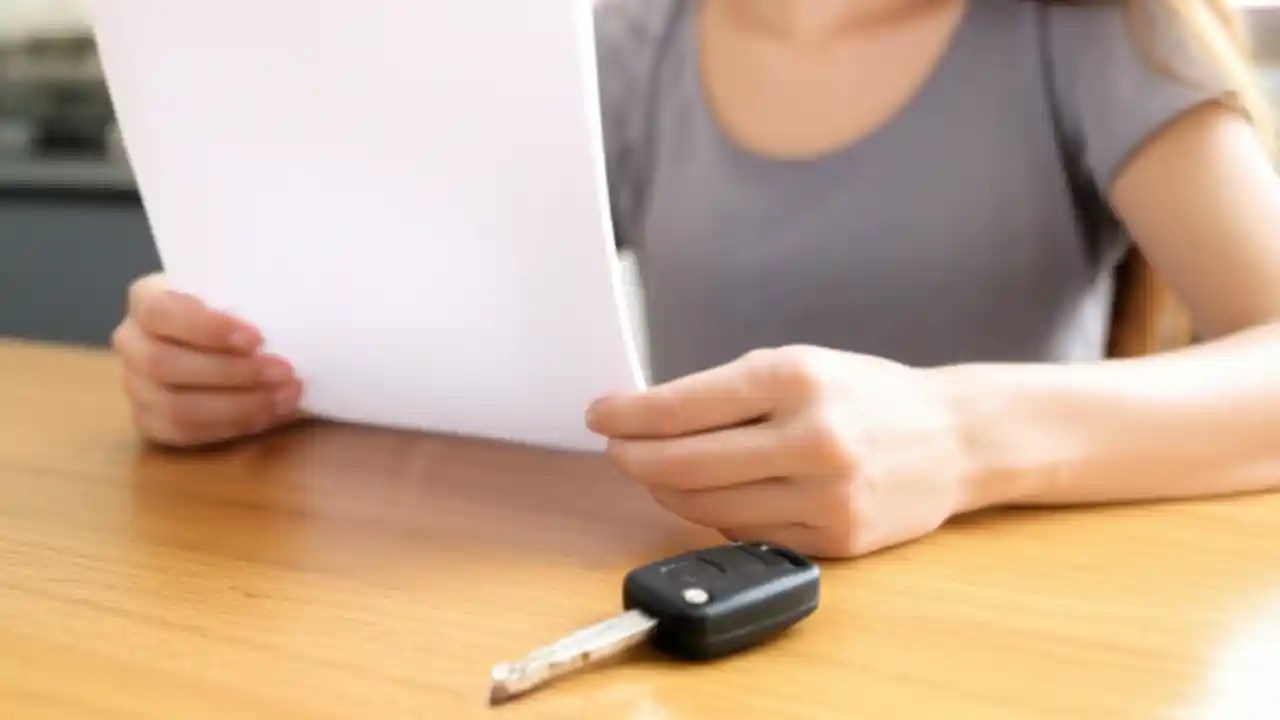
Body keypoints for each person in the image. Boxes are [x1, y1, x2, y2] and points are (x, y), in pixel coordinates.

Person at [112, 0, 1280, 558]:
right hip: (687, 622)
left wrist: (960, 435)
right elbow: (415, 292)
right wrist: (237, 347)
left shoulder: (1092, 27)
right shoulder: (640, 39)